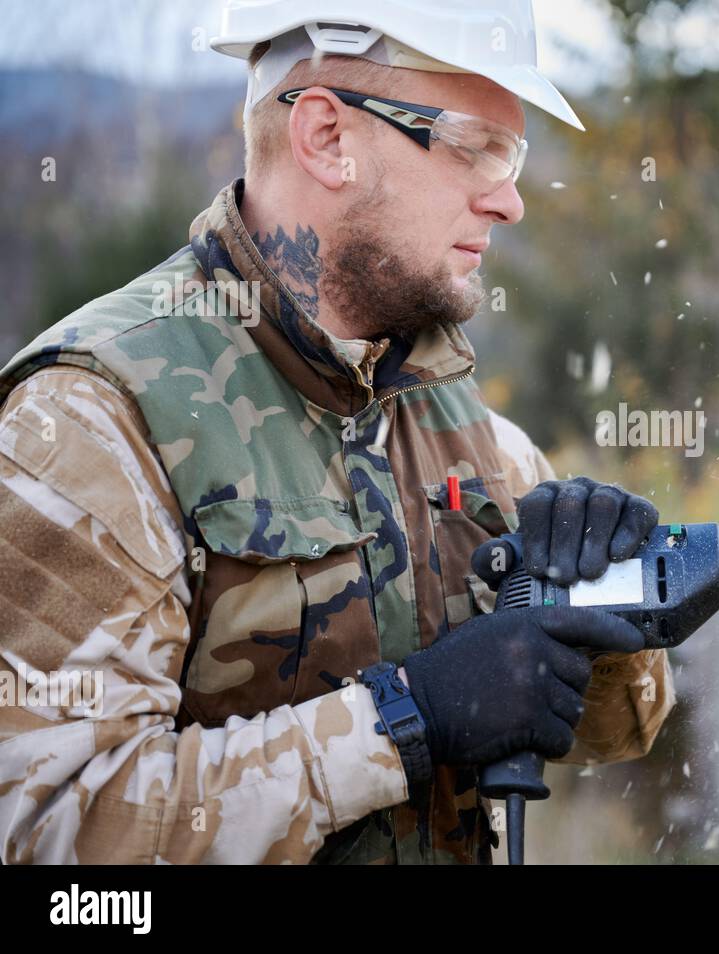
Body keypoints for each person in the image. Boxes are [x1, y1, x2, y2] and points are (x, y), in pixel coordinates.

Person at [0, 0, 675, 864]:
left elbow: (614, 731)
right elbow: (50, 832)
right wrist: (401, 725)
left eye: (516, 154)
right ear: (325, 137)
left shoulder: (464, 423)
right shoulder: (95, 418)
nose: (508, 200)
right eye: (476, 144)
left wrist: (599, 608)